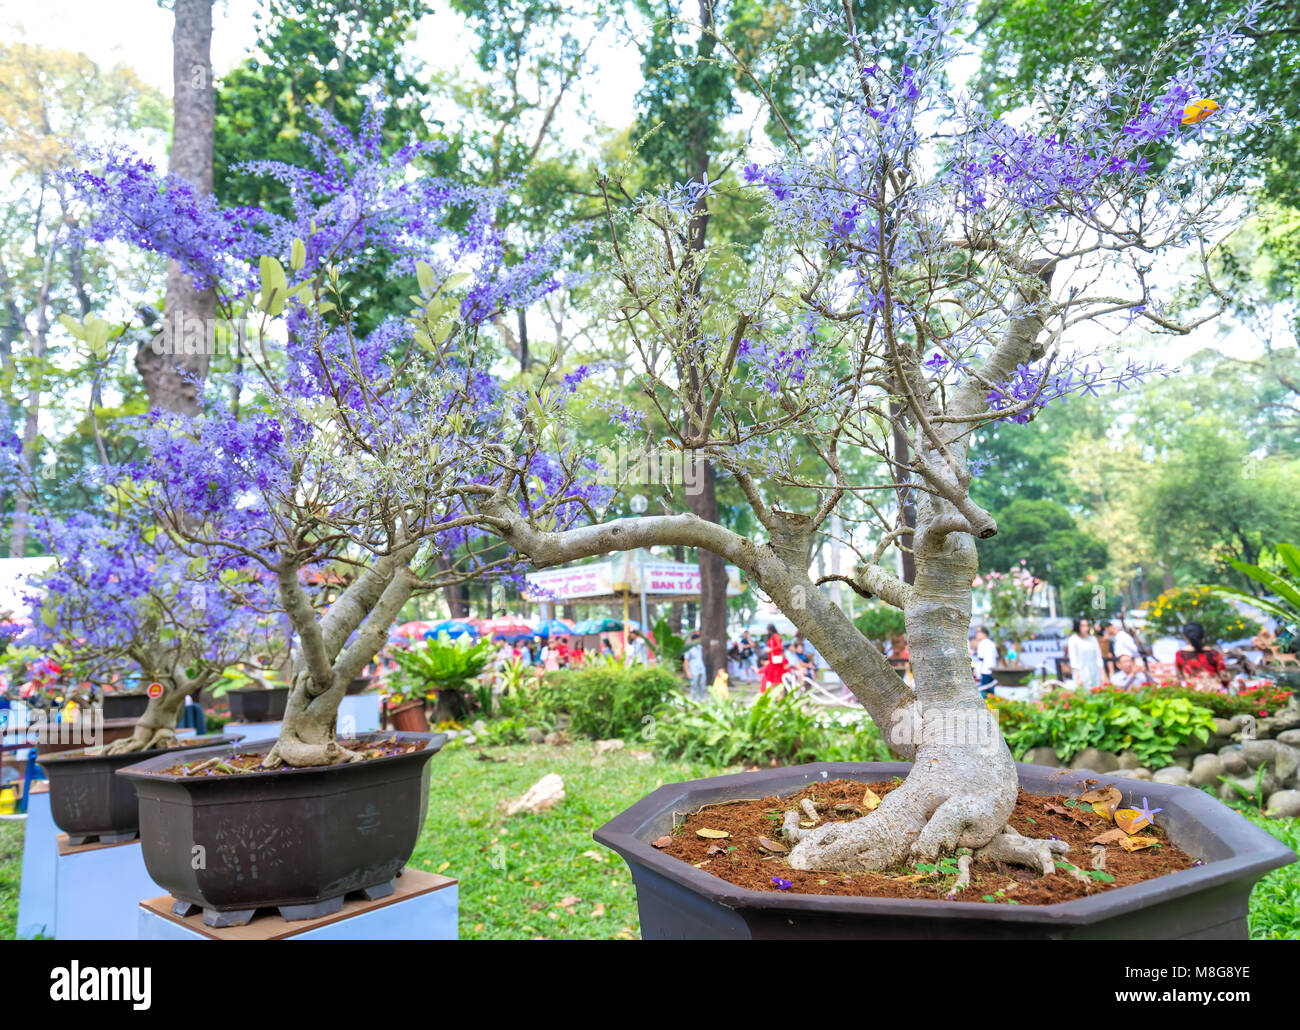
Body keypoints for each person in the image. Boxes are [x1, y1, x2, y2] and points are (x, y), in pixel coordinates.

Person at [1176, 621, 1229, 687]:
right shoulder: (1214, 654)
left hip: (1191, 693)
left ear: (1185, 637)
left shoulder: (1180, 655)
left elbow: (1180, 677)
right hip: (1214, 694)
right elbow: (1224, 677)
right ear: (1203, 636)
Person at [1066, 617, 1104, 689]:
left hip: (1095, 672)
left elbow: (1099, 658)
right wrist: (1078, 677)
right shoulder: (1073, 640)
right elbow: (1074, 660)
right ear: (1077, 626)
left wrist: (1103, 674)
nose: (1086, 628)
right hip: (1081, 673)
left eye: (1087, 625)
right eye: (1083, 626)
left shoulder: (1093, 639)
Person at [972, 626, 998, 697]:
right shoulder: (992, 643)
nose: (976, 634)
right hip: (992, 671)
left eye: (978, 632)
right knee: (991, 694)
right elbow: (996, 657)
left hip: (985, 671)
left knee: (984, 695)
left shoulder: (982, 643)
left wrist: (977, 672)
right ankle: (994, 707)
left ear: (984, 634)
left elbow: (980, 659)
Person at [683, 632, 707, 701]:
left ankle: (701, 698)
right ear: (693, 640)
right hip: (693, 669)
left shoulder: (700, 647)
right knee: (694, 685)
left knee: (702, 684)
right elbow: (686, 661)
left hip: (701, 668)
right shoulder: (689, 648)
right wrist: (688, 672)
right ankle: (694, 699)